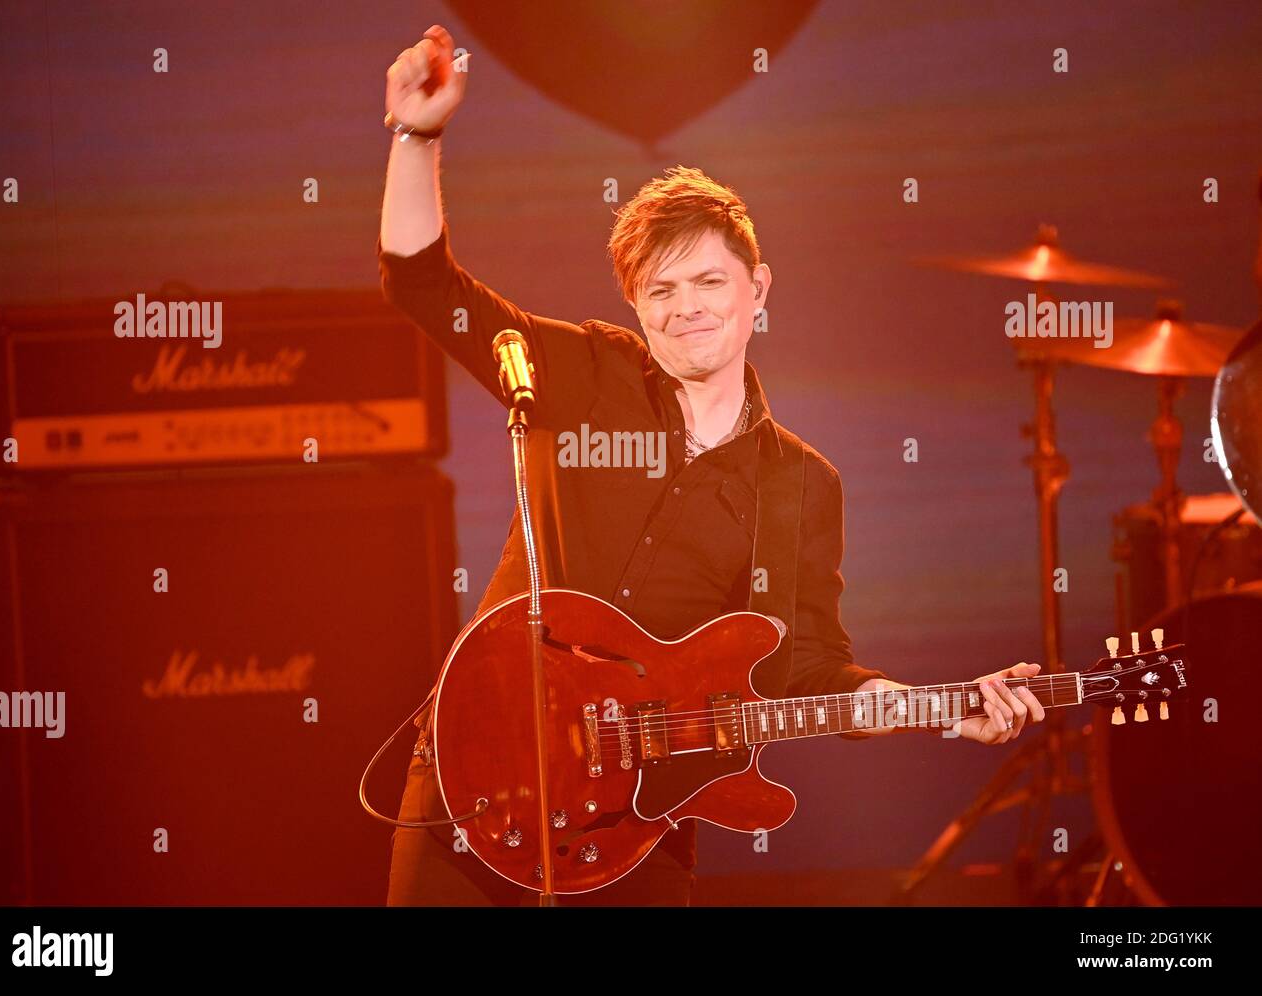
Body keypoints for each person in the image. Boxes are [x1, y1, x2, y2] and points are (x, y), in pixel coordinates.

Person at [376, 24, 1045, 907]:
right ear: (635, 304)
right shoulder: (583, 374)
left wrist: (940, 705)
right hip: (483, 769)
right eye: (661, 290)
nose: (686, 308)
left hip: (640, 815)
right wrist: (418, 134)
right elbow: (425, 285)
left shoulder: (801, 486)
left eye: (708, 283)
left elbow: (808, 666)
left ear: (757, 290)